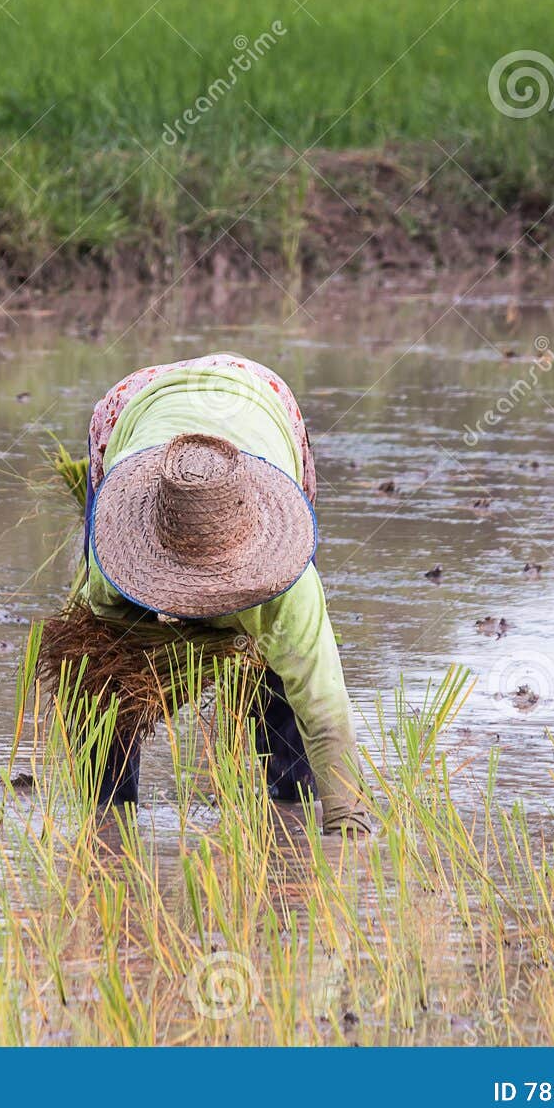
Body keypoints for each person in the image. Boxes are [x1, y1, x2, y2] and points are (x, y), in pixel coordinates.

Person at [68, 352, 369, 835]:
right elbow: (93, 669)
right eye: (185, 586)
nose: (201, 598)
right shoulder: (116, 558)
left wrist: (348, 827)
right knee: (110, 677)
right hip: (135, 404)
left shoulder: (287, 587)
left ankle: (292, 801)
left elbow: (324, 706)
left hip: (263, 399)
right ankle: (108, 819)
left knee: (279, 667)